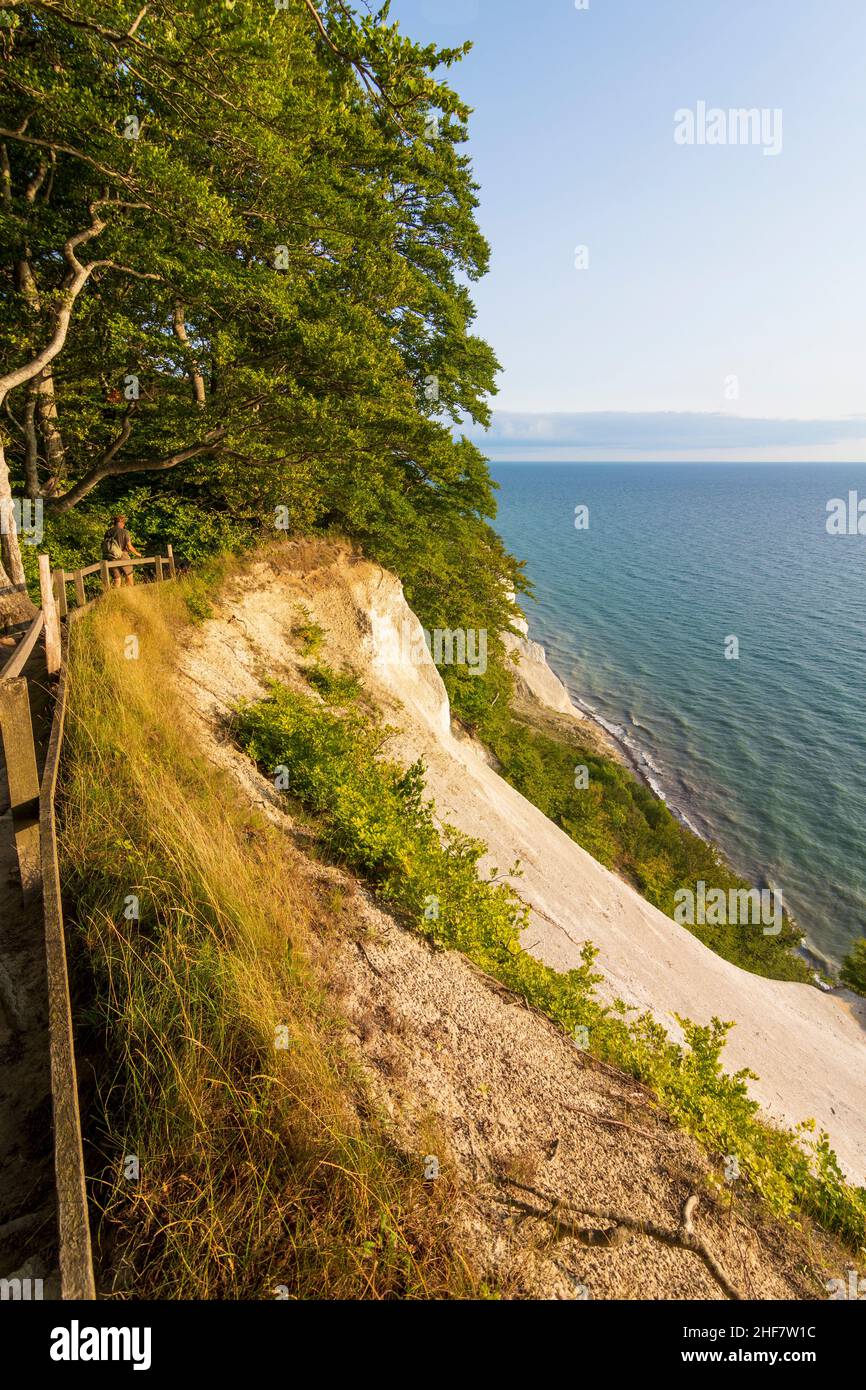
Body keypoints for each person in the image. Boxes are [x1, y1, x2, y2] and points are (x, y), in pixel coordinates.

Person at [101, 513, 141, 586]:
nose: (124, 525)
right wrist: (137, 553)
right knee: (129, 576)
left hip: (110, 557)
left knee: (117, 579)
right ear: (121, 522)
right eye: (123, 523)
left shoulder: (108, 532)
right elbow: (129, 547)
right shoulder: (125, 532)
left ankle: (116, 596)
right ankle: (130, 594)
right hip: (122, 556)